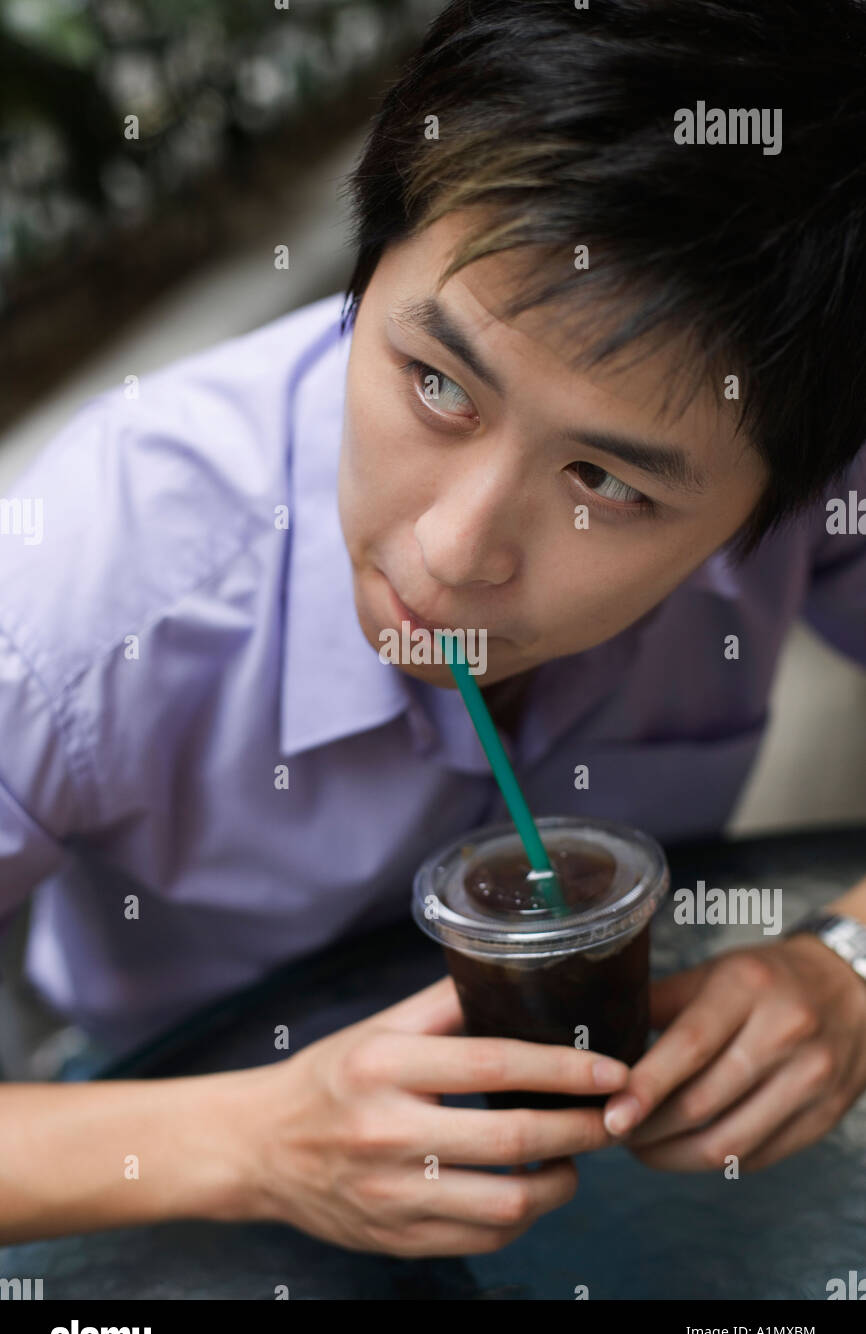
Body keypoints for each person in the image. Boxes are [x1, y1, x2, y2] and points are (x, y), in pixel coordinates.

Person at [1, 0, 866, 1256]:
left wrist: (842, 960)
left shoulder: (804, 451)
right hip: (169, 1129)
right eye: (436, 383)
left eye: (604, 483)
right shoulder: (88, 591)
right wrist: (252, 1143)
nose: (451, 554)